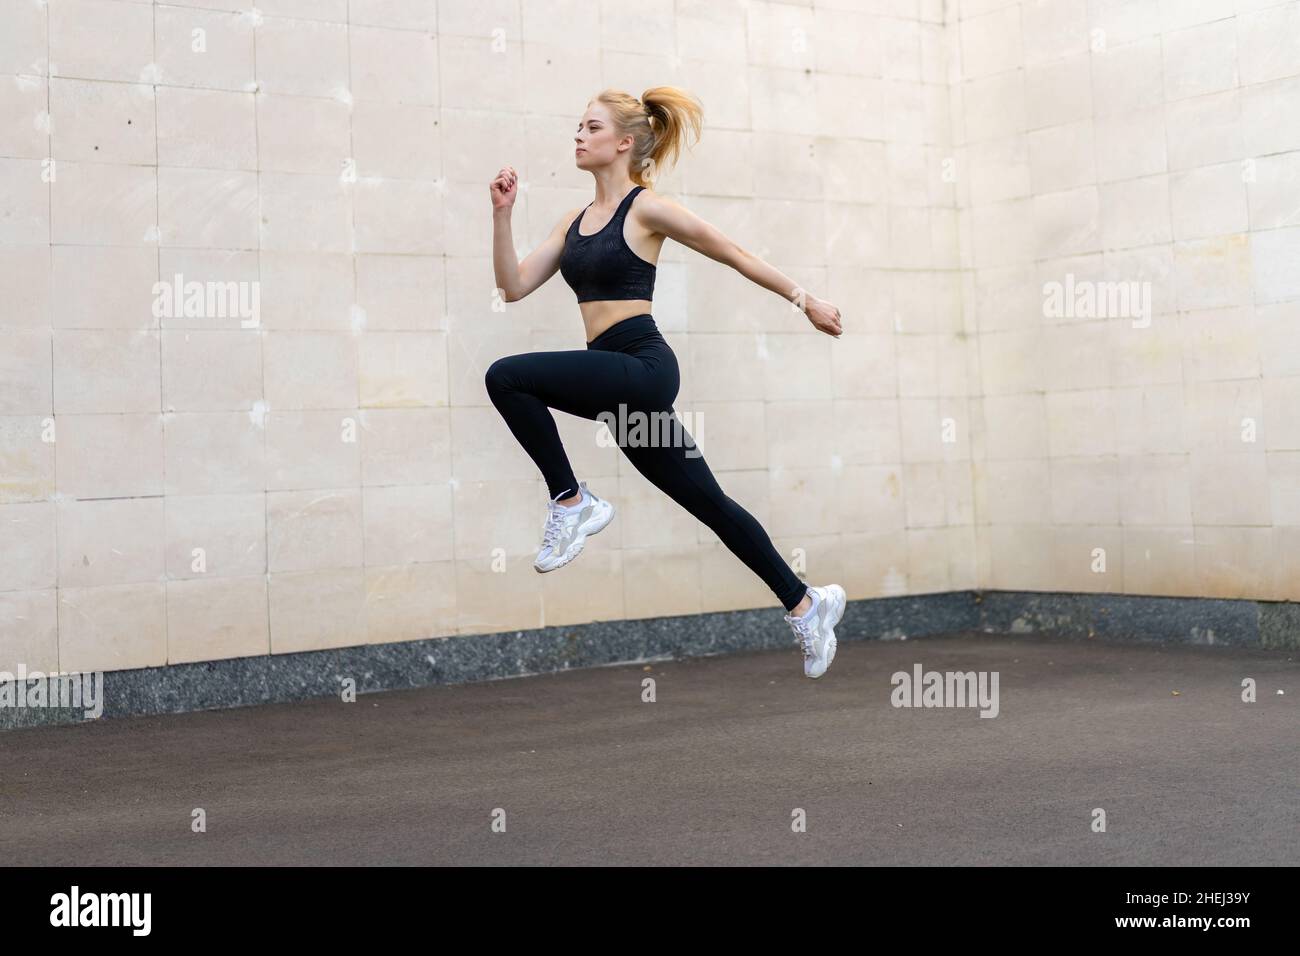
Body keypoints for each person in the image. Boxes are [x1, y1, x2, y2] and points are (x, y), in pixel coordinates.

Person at [485, 86, 846, 678]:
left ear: (623, 143)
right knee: (710, 503)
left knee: (507, 377)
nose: (578, 135)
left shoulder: (646, 209)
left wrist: (805, 299)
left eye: (591, 127)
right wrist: (502, 216)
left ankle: (572, 499)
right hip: (614, 384)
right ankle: (808, 605)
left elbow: (730, 251)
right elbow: (514, 286)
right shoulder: (572, 222)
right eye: (577, 126)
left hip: (642, 368)